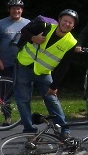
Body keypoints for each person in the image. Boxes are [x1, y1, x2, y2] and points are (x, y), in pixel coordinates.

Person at [13, 9, 80, 141]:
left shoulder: (71, 43)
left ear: (73, 26)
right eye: (65, 20)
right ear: (59, 20)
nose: (66, 24)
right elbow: (24, 31)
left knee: (52, 100)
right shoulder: (45, 26)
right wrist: (33, 38)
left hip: (43, 72)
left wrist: (54, 86)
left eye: (70, 22)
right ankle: (29, 131)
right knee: (23, 100)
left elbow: (64, 66)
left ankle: (64, 130)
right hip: (24, 65)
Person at [0, 0, 29, 81]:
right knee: (5, 88)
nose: (16, 11)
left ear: (22, 10)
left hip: (24, 64)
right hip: (5, 64)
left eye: (18, 9)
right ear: (9, 10)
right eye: (13, 9)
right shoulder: (0, 24)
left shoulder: (28, 23)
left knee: (23, 88)